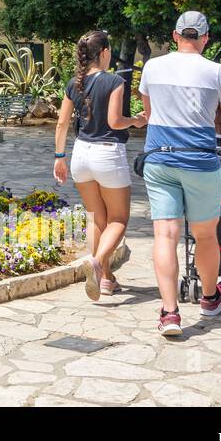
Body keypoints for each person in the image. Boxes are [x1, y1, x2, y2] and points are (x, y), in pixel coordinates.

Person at [139, 11, 221, 337]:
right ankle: (211, 298)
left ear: (175, 36)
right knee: (205, 235)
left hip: (159, 160)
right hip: (200, 163)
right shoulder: (218, 72)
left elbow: (148, 113)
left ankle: (170, 313)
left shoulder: (152, 67)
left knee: (166, 235)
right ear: (205, 39)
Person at [53, 30, 148, 301]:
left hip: (80, 154)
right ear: (105, 52)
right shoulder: (115, 81)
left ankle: (106, 279)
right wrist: (137, 121)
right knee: (118, 219)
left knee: (98, 218)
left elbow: (61, 123)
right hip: (107, 154)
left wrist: (59, 157)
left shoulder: (74, 83)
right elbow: (115, 121)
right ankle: (97, 262)